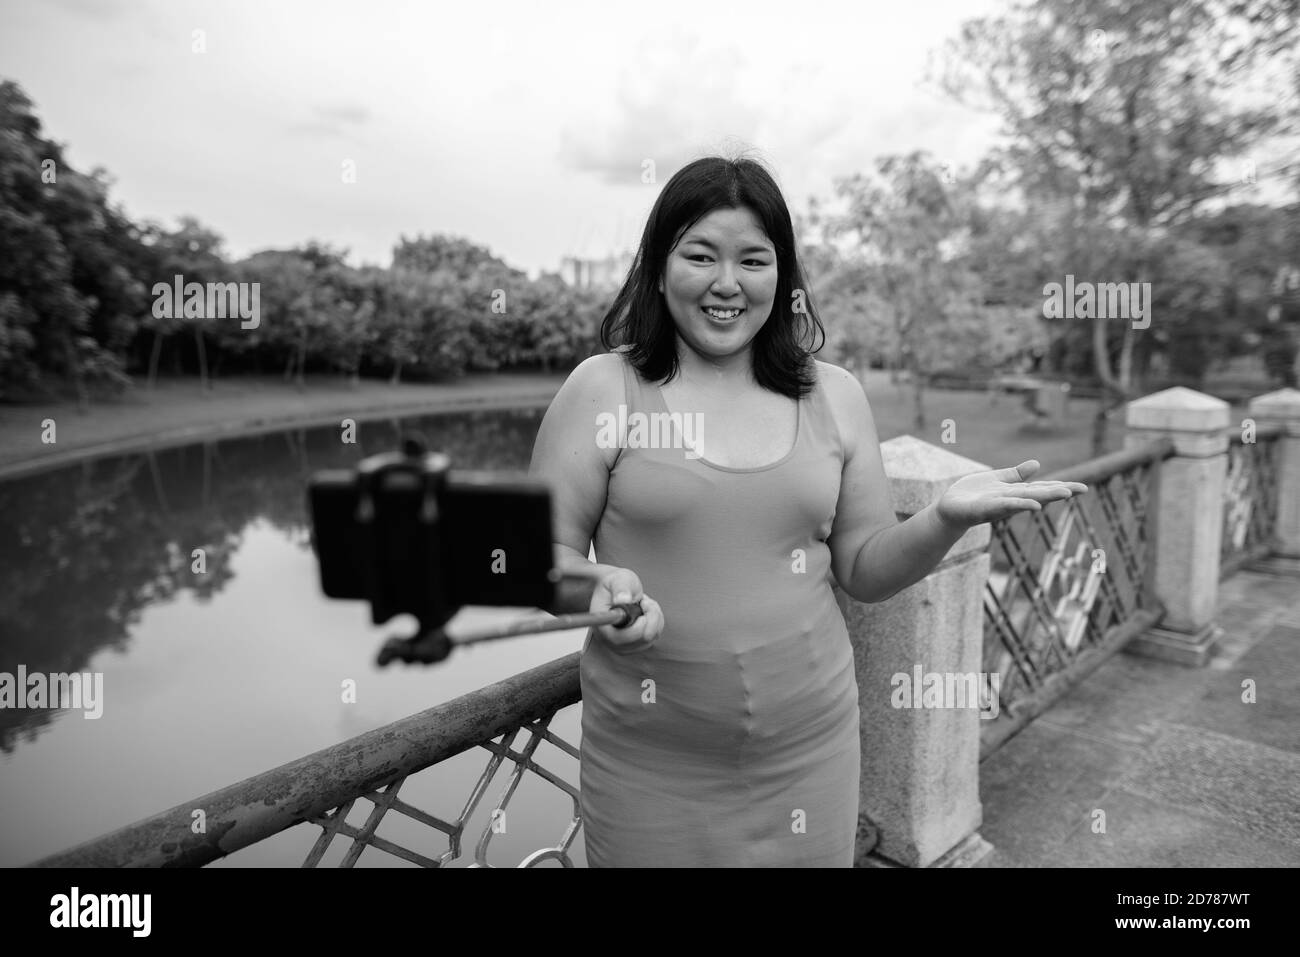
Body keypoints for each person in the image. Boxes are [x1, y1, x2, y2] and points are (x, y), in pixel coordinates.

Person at [527, 154, 1086, 867]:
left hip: (810, 752)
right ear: (659, 266)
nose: (727, 283)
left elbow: (862, 566)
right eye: (700, 254)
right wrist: (596, 587)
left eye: (753, 260)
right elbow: (540, 562)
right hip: (652, 765)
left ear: (783, 276)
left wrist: (944, 519)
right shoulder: (605, 388)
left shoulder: (835, 394)